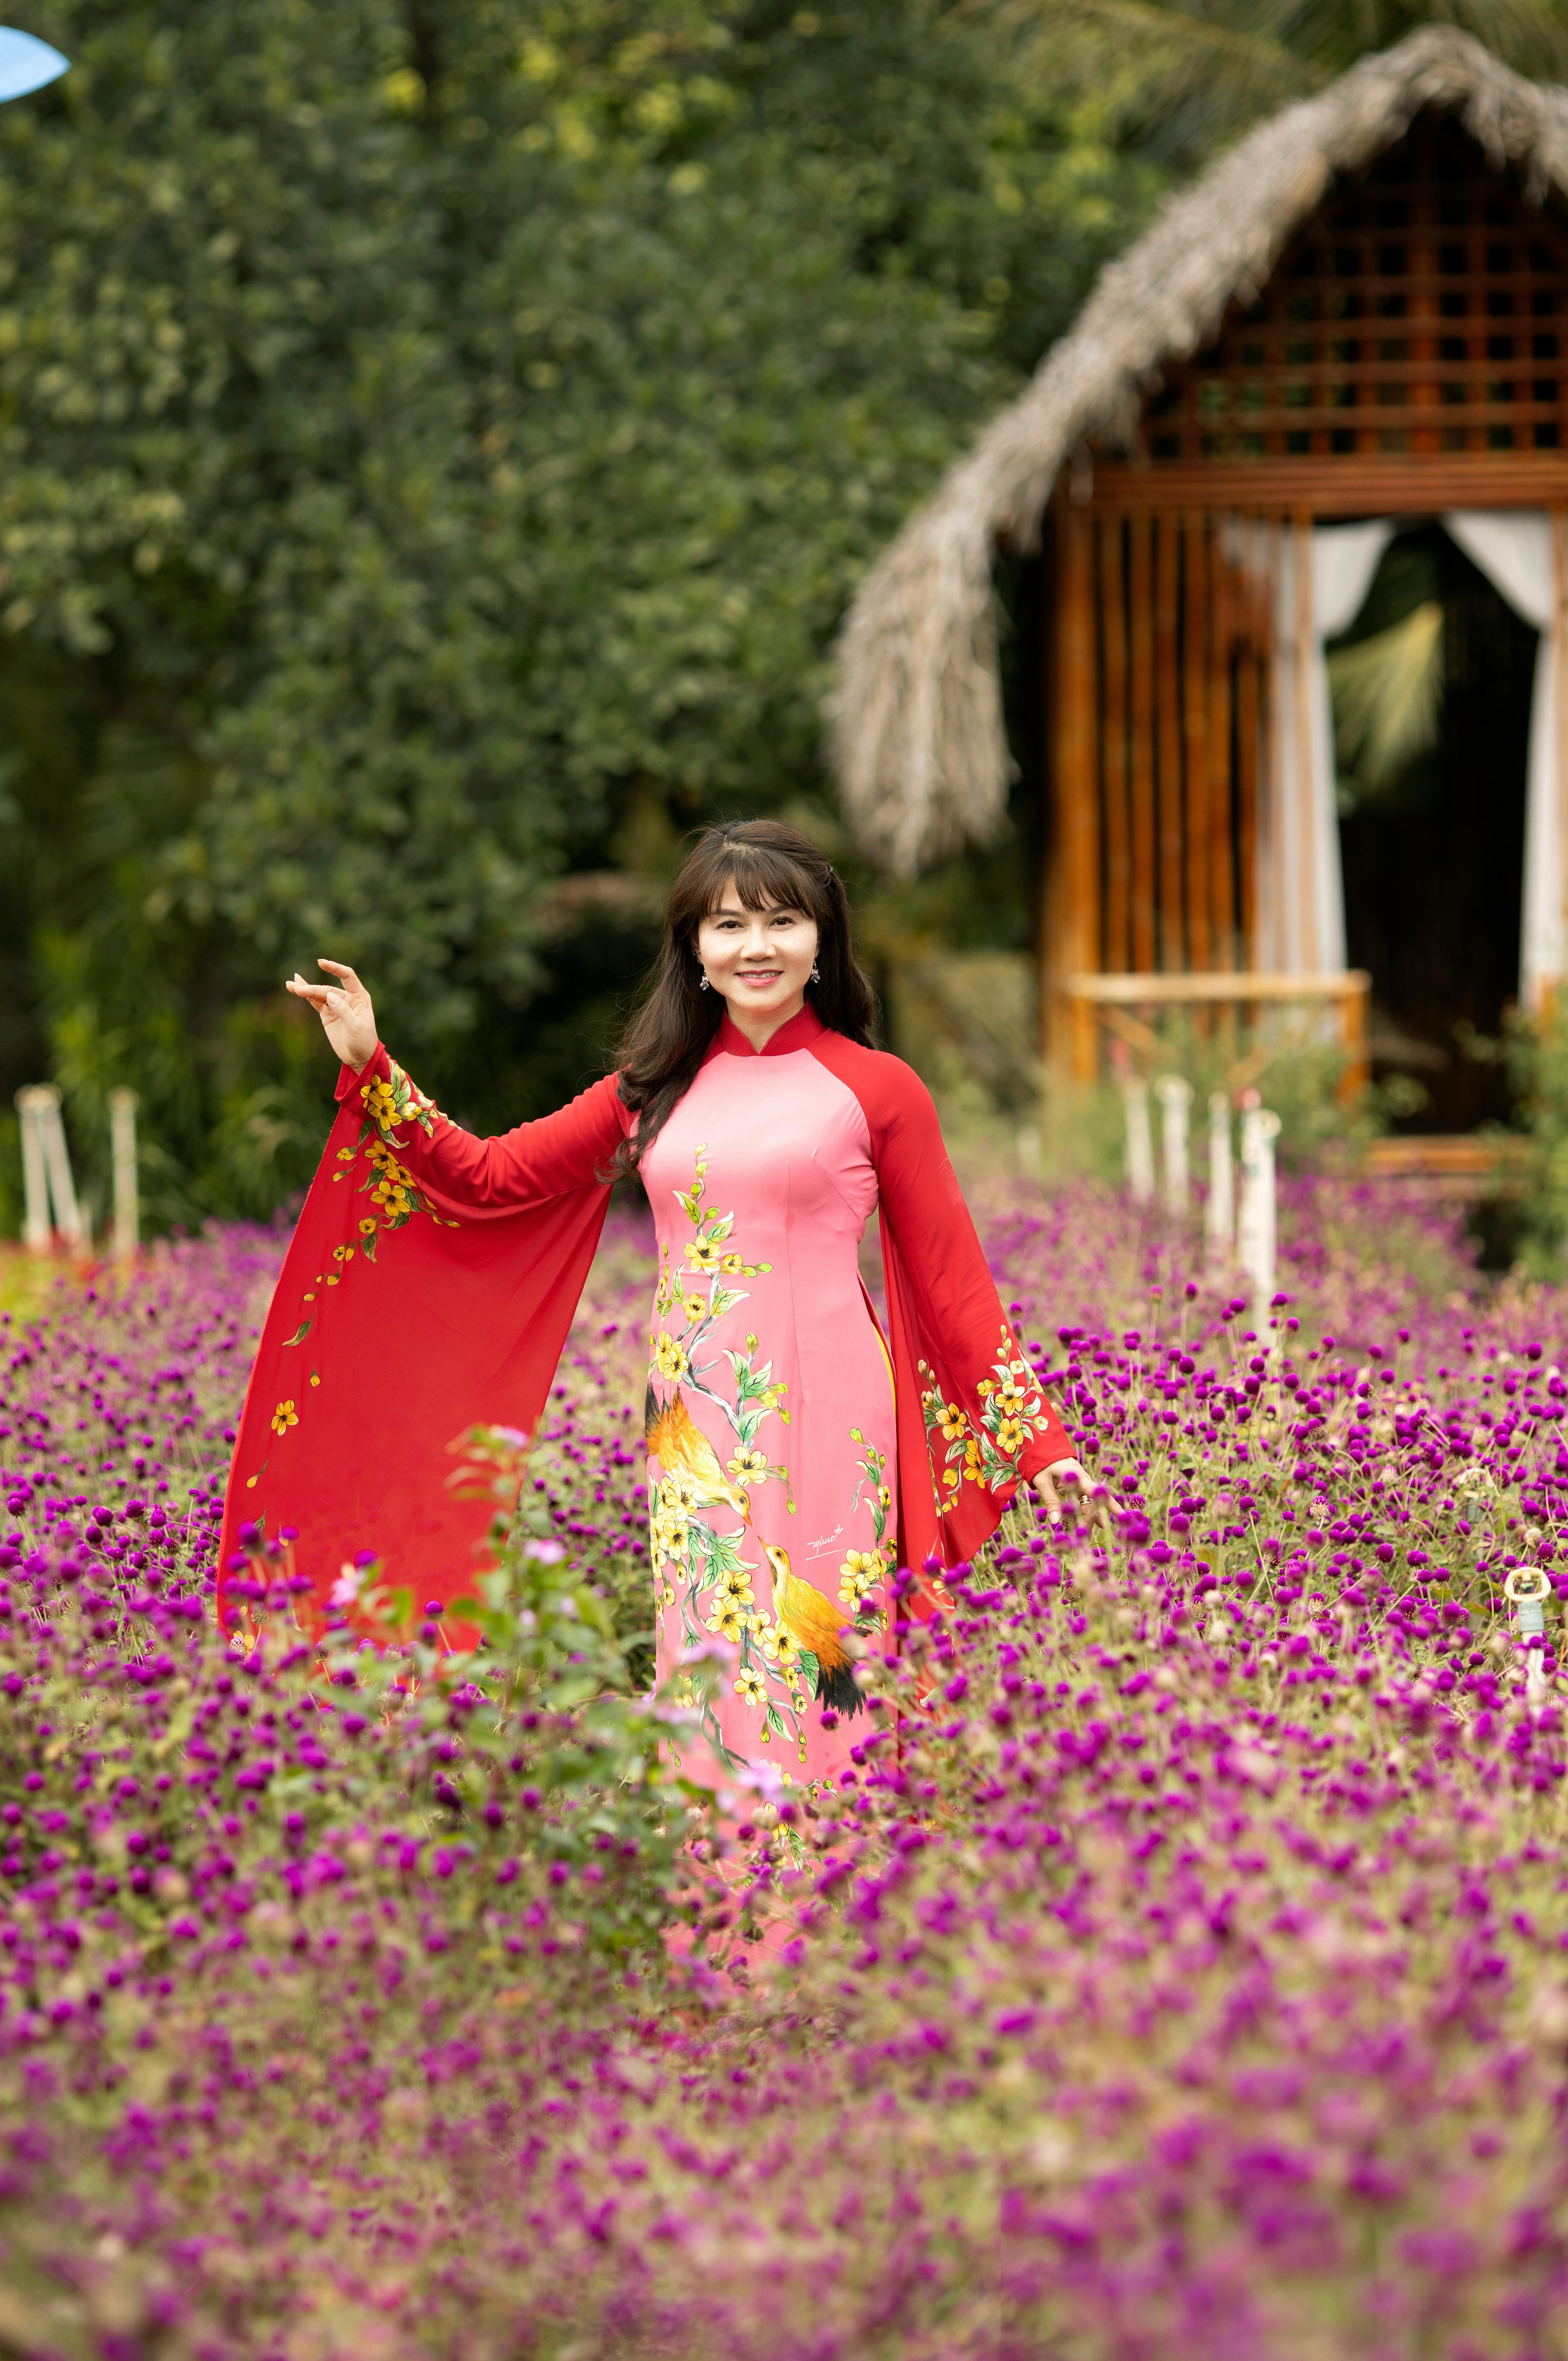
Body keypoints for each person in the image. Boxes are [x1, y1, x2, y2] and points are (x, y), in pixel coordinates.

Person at [221, 820, 1090, 1790]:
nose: (755, 946)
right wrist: (375, 1064)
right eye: (728, 925)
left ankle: (843, 1888)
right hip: (693, 1428)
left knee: (829, 1645)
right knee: (710, 1651)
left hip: (837, 1417)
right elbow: (489, 1176)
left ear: (821, 941)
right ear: (695, 951)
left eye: (781, 921)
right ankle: (725, 1907)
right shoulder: (651, 1092)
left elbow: (950, 1275)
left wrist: (1037, 1438)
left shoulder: (878, 1089)